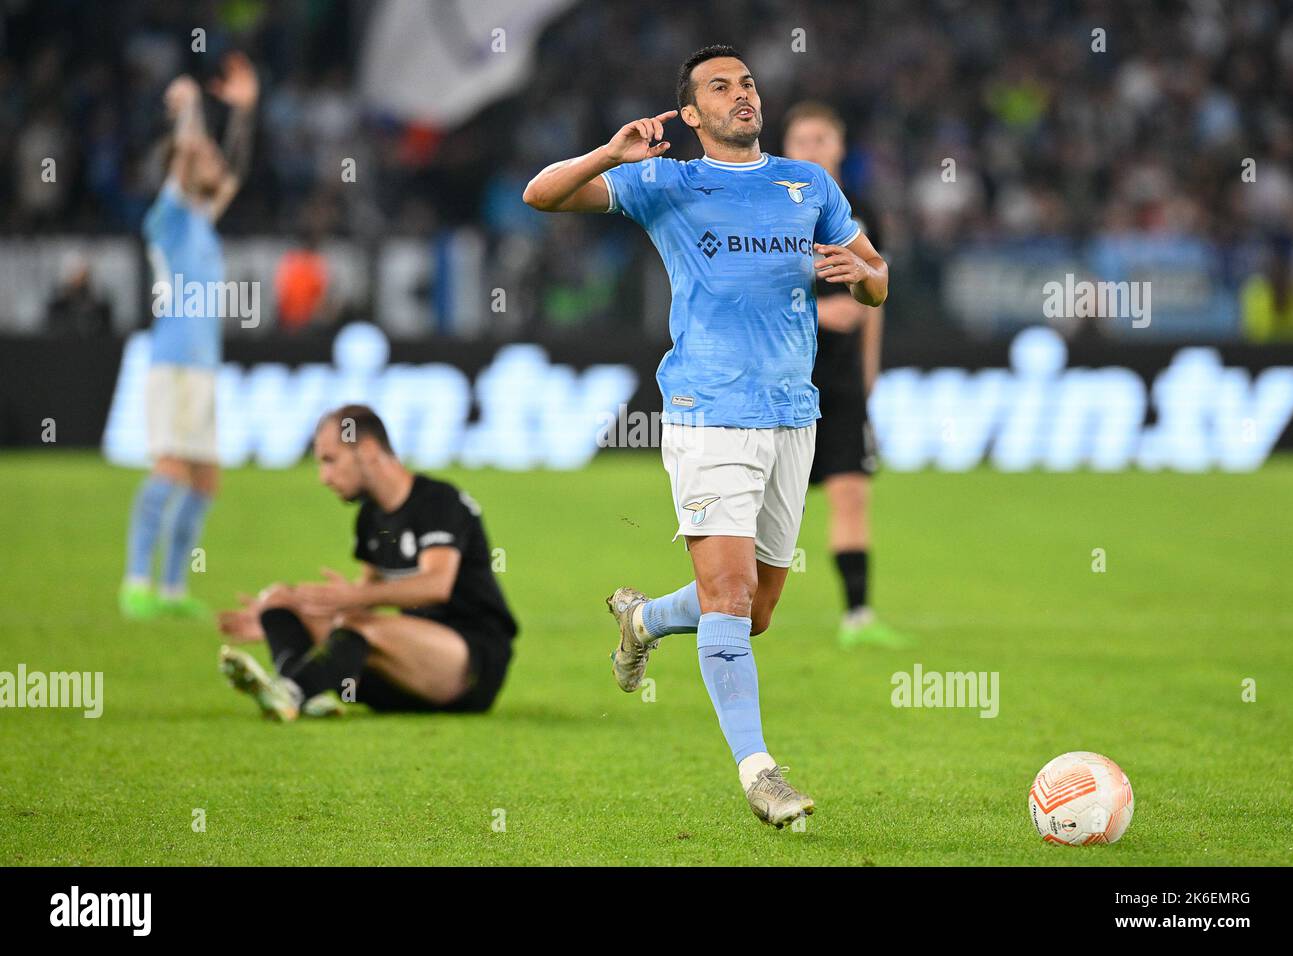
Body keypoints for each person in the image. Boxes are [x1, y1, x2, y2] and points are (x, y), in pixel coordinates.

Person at [522, 45, 887, 828]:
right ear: (690, 113)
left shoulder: (808, 184)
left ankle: (644, 620)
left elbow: (878, 275)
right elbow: (541, 194)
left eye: (747, 83)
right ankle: (761, 774)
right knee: (727, 595)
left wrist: (864, 278)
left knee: (755, 611)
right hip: (707, 411)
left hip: (794, 416)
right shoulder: (668, 181)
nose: (741, 94)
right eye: (720, 87)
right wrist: (610, 153)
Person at [216, 405, 518, 721]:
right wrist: (293, 619)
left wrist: (352, 596)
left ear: (368, 451)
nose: (324, 477)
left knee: (358, 626)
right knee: (279, 600)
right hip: (408, 666)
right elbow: (367, 597)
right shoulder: (371, 517)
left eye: (330, 460)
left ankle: (291, 690)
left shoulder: (439, 502)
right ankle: (305, 693)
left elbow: (436, 585)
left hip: (470, 666)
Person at [119, 53, 258, 619]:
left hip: (200, 364)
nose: (215, 159)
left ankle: (173, 590)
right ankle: (135, 583)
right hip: (174, 361)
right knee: (171, 468)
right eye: (205, 154)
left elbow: (234, 172)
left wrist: (243, 113)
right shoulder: (170, 219)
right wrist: (191, 109)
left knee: (205, 480)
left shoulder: (200, 220)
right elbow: (187, 157)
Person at [783, 101, 908, 649]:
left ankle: (858, 615)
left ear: (839, 147)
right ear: (786, 149)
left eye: (822, 139)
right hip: (784, 376)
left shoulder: (861, 212)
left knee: (851, 492)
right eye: (802, 140)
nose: (812, 148)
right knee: (766, 504)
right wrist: (815, 311)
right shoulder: (768, 206)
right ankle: (732, 608)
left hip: (841, 379)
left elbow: (876, 293)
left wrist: (869, 370)